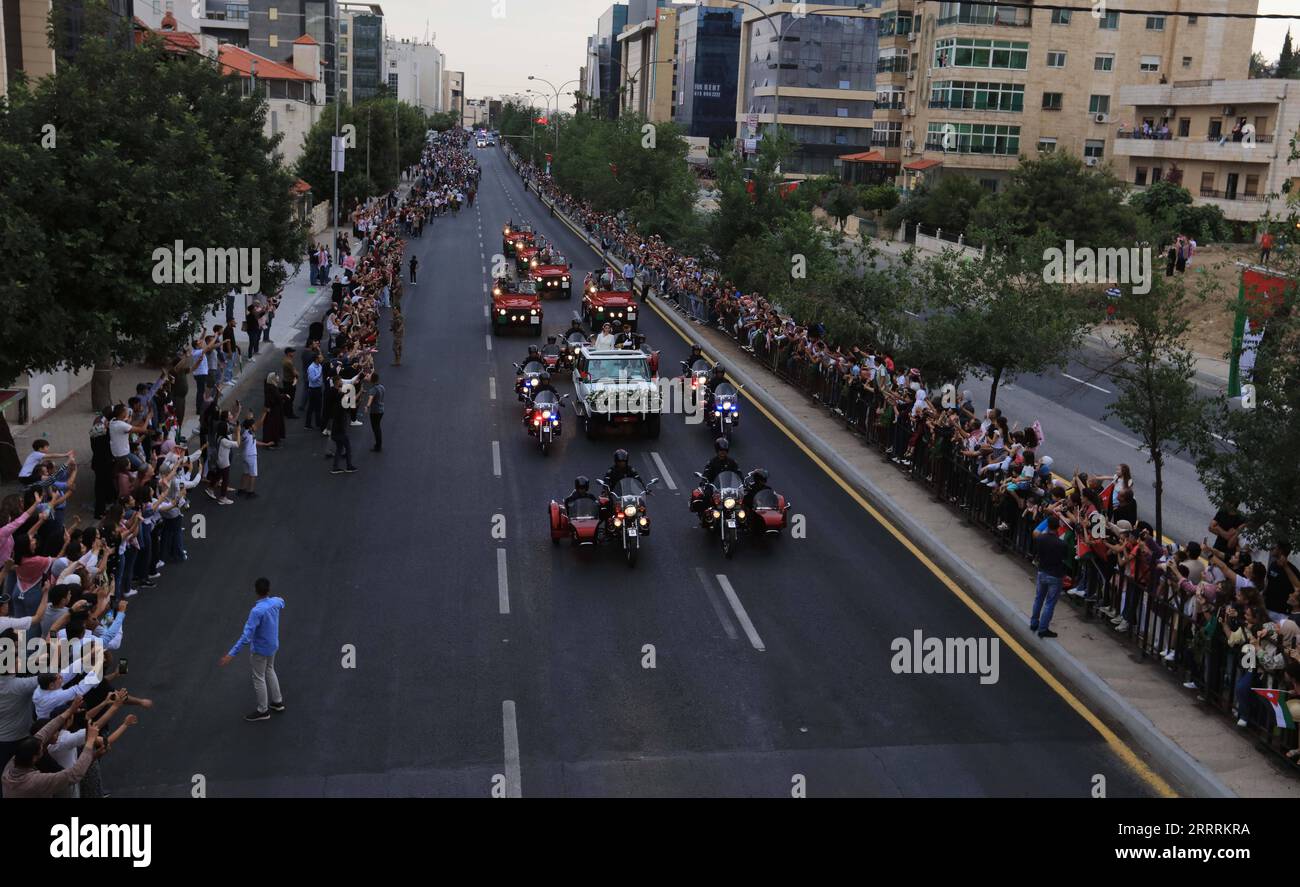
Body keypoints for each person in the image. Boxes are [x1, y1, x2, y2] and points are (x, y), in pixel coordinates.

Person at [219, 577, 286, 722]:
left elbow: (246, 636)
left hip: (260, 650)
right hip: (273, 645)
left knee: (258, 677)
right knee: (270, 669)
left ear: (256, 591)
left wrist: (231, 654)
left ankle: (263, 710)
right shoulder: (276, 602)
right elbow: (282, 602)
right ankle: (277, 701)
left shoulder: (256, 611)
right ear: (268, 590)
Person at [1029, 515, 1068, 638]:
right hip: (1055, 575)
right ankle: (1043, 628)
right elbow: (1065, 558)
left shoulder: (1040, 539)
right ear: (1057, 527)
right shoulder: (1061, 544)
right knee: (1050, 603)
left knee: (1038, 598)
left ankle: (1034, 622)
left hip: (1042, 571)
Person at [328, 378, 358, 475]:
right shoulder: (341, 408)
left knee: (339, 448)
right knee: (347, 447)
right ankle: (349, 466)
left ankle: (335, 467)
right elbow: (351, 402)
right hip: (340, 432)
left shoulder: (337, 405)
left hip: (335, 432)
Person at [364, 372, 386, 453]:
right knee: (377, 427)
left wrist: (367, 406)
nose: (368, 376)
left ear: (372, 379)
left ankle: (378, 446)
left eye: (369, 376)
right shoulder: (381, 387)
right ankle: (378, 444)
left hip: (375, 412)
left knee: (376, 428)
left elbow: (370, 398)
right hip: (381, 409)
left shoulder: (373, 389)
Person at [304, 351, 326, 429]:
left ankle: (318, 423)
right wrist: (320, 374)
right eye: (320, 357)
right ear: (316, 359)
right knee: (311, 407)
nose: (321, 359)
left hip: (319, 388)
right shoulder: (311, 368)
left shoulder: (319, 365)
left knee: (319, 407)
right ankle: (307, 424)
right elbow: (312, 379)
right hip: (313, 390)